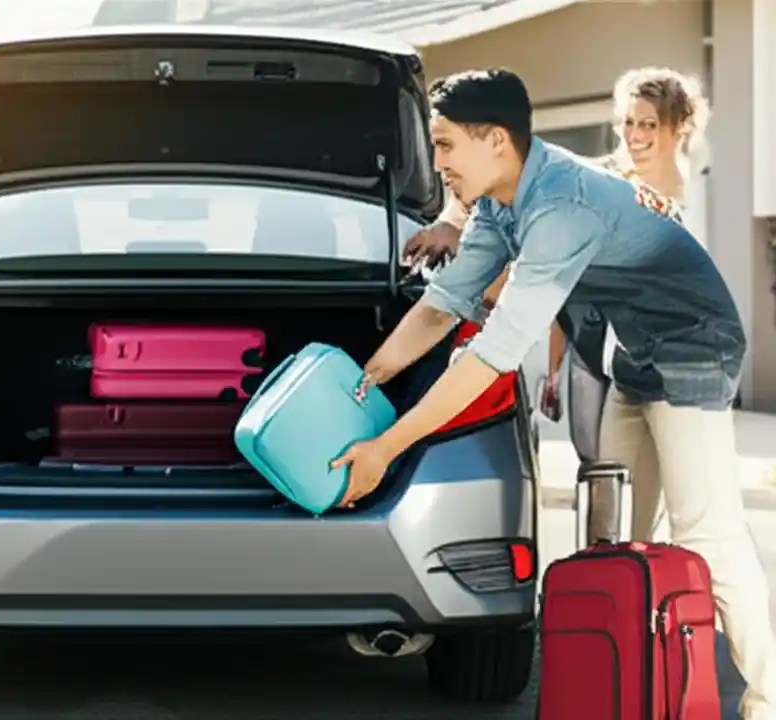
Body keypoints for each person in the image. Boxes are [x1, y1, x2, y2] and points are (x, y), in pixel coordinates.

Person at [331, 68, 775, 719]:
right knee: (613, 540)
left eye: (447, 145)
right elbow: (442, 306)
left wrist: (385, 447)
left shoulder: (560, 208)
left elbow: (487, 357)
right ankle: (628, 682)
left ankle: (766, 698)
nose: (439, 163)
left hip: (696, 346)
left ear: (495, 141)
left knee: (704, 531)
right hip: (633, 353)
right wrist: (361, 382)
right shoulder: (499, 204)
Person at [403, 67, 712, 541]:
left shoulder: (685, 201)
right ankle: (603, 580)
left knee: (658, 496)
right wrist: (554, 363)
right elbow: (513, 207)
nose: (635, 135)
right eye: (628, 123)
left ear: (678, 127)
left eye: (649, 124)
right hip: (592, 353)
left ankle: (643, 583)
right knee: (601, 472)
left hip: (659, 362)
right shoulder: (602, 177)